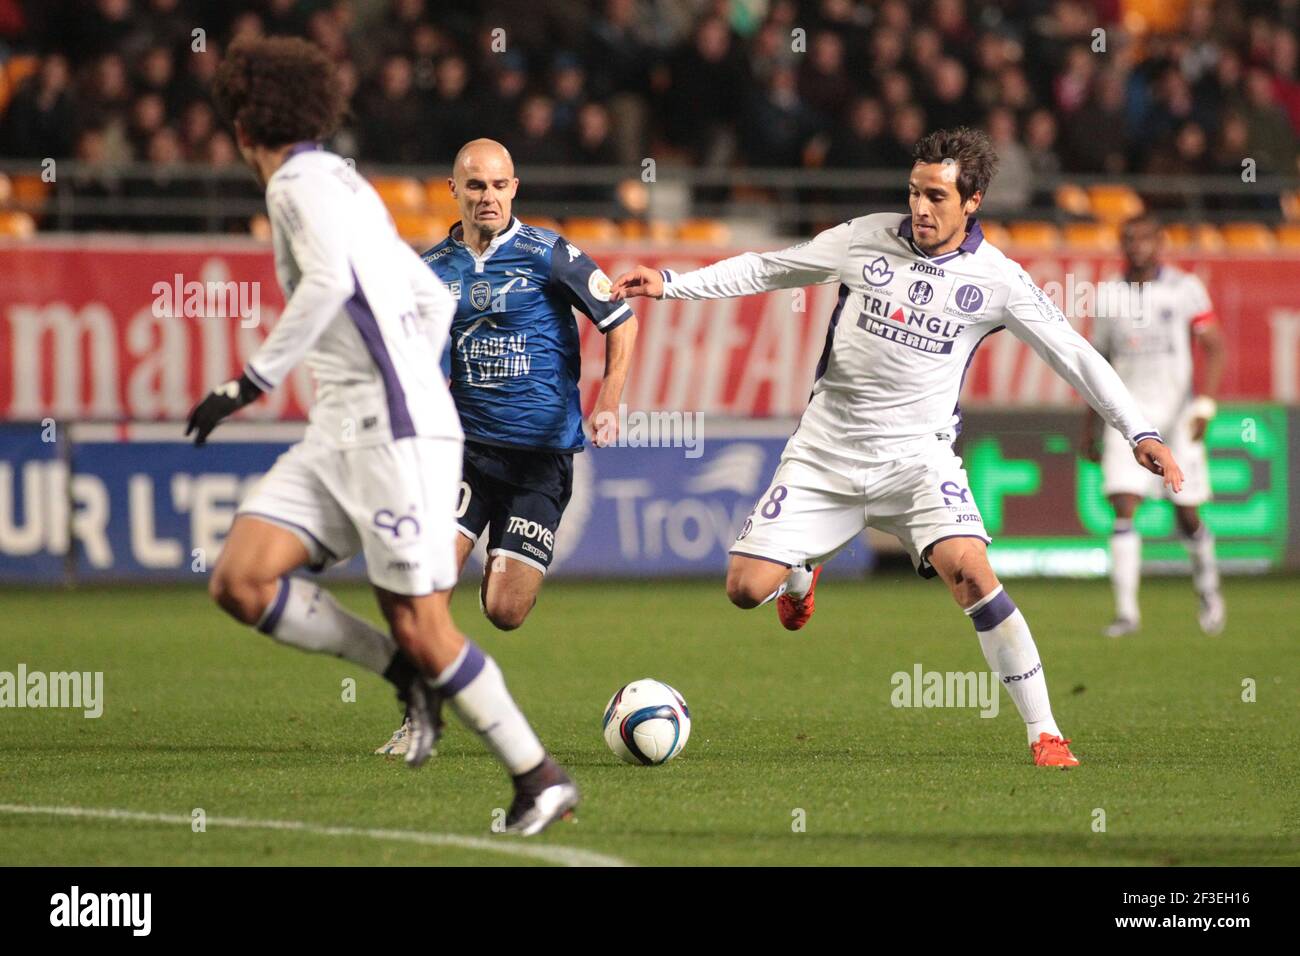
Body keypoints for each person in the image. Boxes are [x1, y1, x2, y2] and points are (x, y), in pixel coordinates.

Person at [611, 127, 1184, 768]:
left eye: (936, 196)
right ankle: (801, 573)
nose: (919, 207)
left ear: (973, 200)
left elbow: (1076, 355)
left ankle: (1044, 731)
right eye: (913, 191)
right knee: (745, 589)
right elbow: (771, 267)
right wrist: (670, 282)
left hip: (918, 462)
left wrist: (1141, 431)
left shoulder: (997, 280)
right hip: (824, 454)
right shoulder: (865, 238)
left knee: (971, 572)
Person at [188, 36, 577, 835]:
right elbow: (426, 300)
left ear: (239, 125)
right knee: (240, 579)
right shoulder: (344, 180)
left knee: (425, 623)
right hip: (344, 426)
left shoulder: (297, 186)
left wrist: (249, 382)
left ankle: (539, 777)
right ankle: (405, 676)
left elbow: (331, 282)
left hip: (393, 432)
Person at [375, 137, 638, 756]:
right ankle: (420, 713)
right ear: (454, 190)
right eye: (475, 186)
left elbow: (619, 321)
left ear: (514, 188)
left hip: (540, 461)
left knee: (505, 610)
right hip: (464, 455)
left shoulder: (550, 254)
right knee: (424, 577)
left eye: (498, 185)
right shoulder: (432, 268)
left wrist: (608, 401)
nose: (488, 197)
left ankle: (493, 567)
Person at [1081, 213, 1226, 637]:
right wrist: (1090, 425)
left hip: (1178, 418)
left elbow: (1214, 346)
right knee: (1124, 507)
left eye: (1144, 238)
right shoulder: (1108, 295)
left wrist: (1206, 404)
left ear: (1160, 242)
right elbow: (1097, 365)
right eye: (1128, 239)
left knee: (1187, 513)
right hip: (1126, 418)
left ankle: (1208, 589)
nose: (1136, 246)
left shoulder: (1185, 289)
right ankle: (1127, 612)